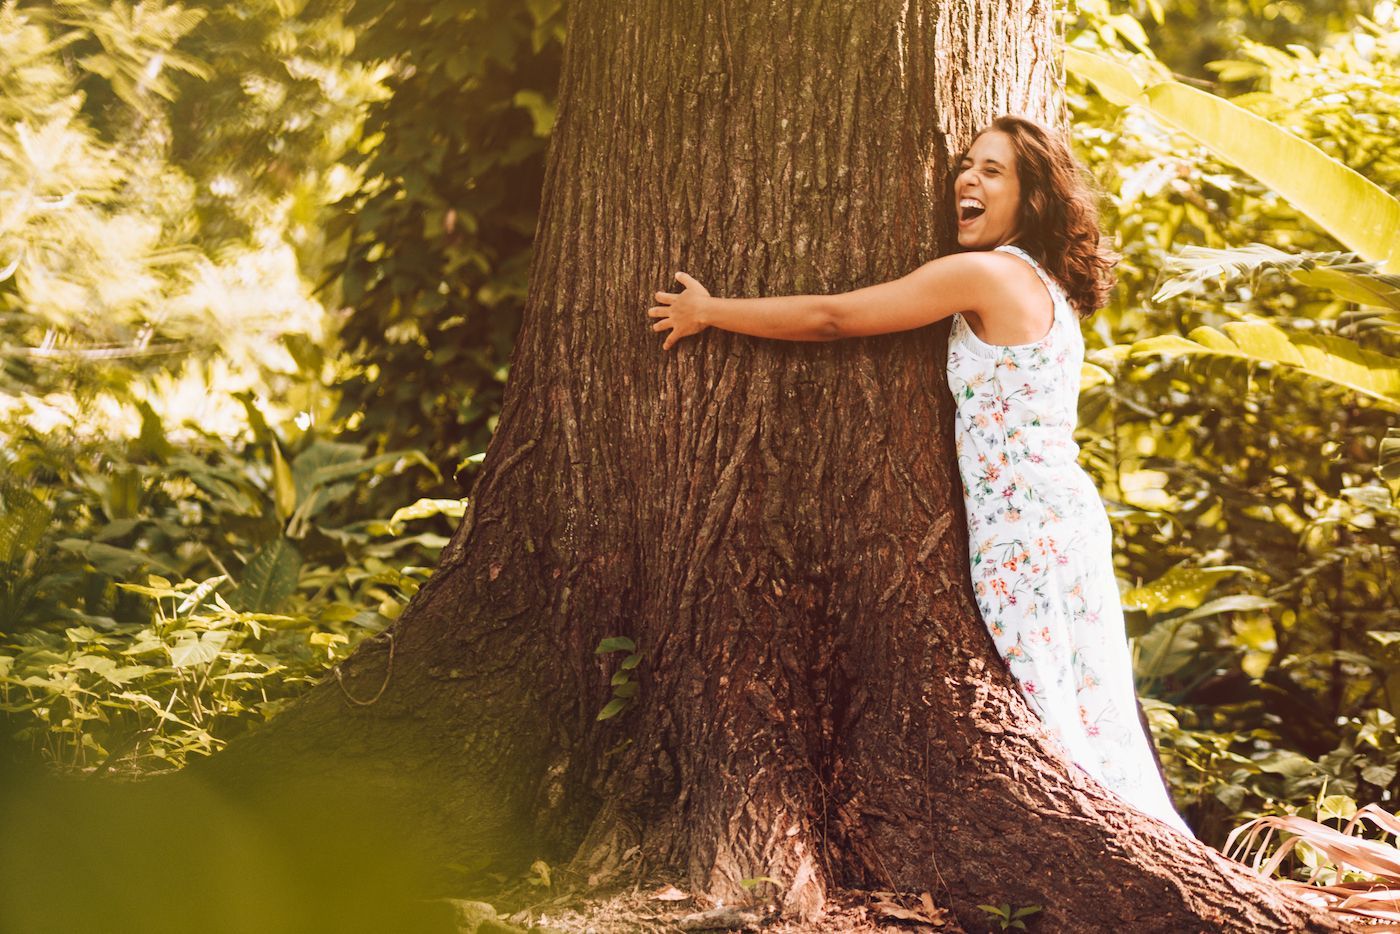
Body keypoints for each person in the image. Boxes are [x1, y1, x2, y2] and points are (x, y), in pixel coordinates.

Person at [644, 114, 1194, 837]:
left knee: (1055, 719)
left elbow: (835, 319)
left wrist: (712, 311)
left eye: (993, 171)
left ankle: (1126, 866)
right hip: (1060, 522)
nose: (967, 179)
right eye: (967, 165)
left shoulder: (987, 273)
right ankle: (1144, 851)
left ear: (1031, 200)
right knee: (1091, 720)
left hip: (1028, 533)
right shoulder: (1044, 286)